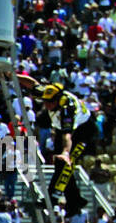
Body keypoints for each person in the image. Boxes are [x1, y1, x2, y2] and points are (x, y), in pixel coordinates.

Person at [40, 83, 94, 214]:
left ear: (59, 100)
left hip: (82, 132)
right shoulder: (50, 93)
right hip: (62, 130)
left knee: (63, 163)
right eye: (45, 101)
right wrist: (13, 75)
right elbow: (33, 85)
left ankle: (53, 197)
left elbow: (67, 136)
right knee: (60, 164)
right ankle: (75, 200)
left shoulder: (67, 111)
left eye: (50, 102)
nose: (47, 105)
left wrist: (65, 152)